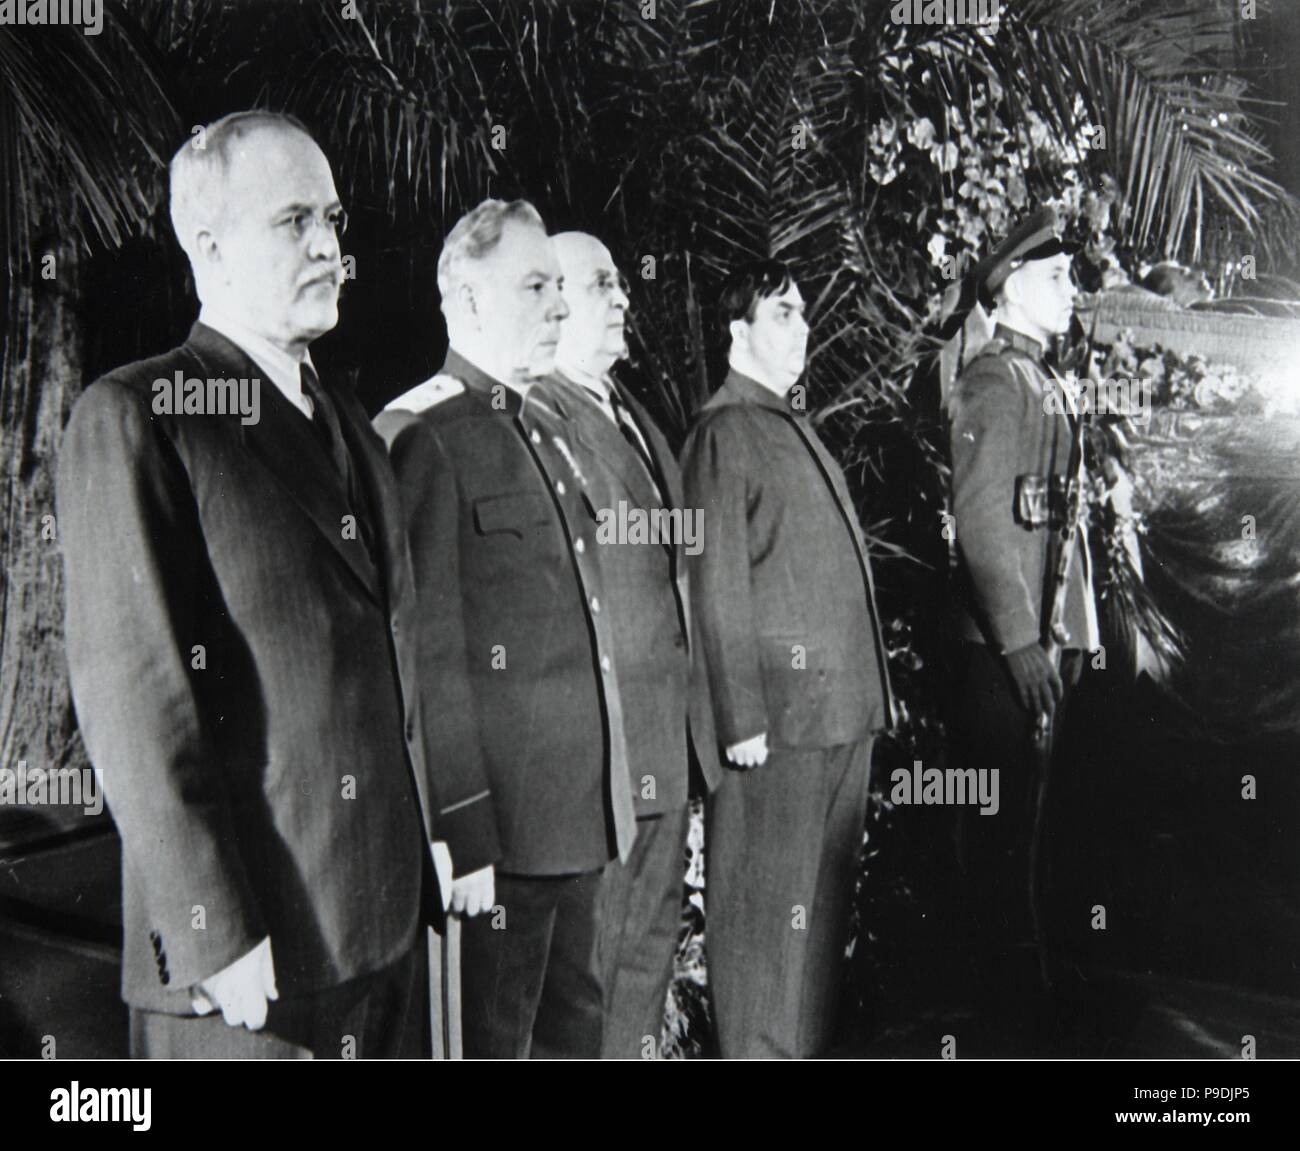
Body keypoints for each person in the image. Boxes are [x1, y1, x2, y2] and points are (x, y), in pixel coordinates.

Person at [57, 111, 494, 1059]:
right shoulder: (140, 416)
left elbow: (399, 667)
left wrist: (440, 844)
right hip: (252, 973)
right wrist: (212, 928)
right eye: (293, 221)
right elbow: (135, 695)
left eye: (332, 220)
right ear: (207, 246)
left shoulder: (349, 424)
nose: (330, 247)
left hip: (383, 936)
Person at [375, 200, 634, 1059]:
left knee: (574, 1040)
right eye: (536, 286)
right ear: (467, 300)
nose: (560, 306)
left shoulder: (544, 433)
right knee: (491, 1045)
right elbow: (429, 654)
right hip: (501, 842)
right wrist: (460, 831)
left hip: (572, 823)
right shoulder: (424, 435)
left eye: (562, 288)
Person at [680, 259, 894, 1058]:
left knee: (815, 942)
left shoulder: (786, 424)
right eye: (781, 314)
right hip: (774, 735)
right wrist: (737, 719)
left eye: (803, 313)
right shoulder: (723, 431)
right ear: (737, 332)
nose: (800, 327)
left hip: (836, 722)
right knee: (766, 939)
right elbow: (715, 582)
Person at [535, 232, 722, 1058]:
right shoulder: (542, 418)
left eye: (620, 282)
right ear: (553, 300)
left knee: (643, 962)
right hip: (606, 760)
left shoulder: (633, 414)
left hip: (664, 744)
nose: (623, 299)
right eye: (602, 285)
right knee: (598, 974)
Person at [946, 205, 1100, 1016]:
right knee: (1001, 834)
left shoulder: (1042, 378)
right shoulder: (993, 382)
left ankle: (1030, 995)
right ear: (1005, 289)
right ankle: (998, 1014)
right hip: (1007, 655)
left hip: (1045, 643)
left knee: (1032, 829)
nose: (1070, 288)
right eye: (1054, 277)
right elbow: (979, 526)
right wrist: (1017, 644)